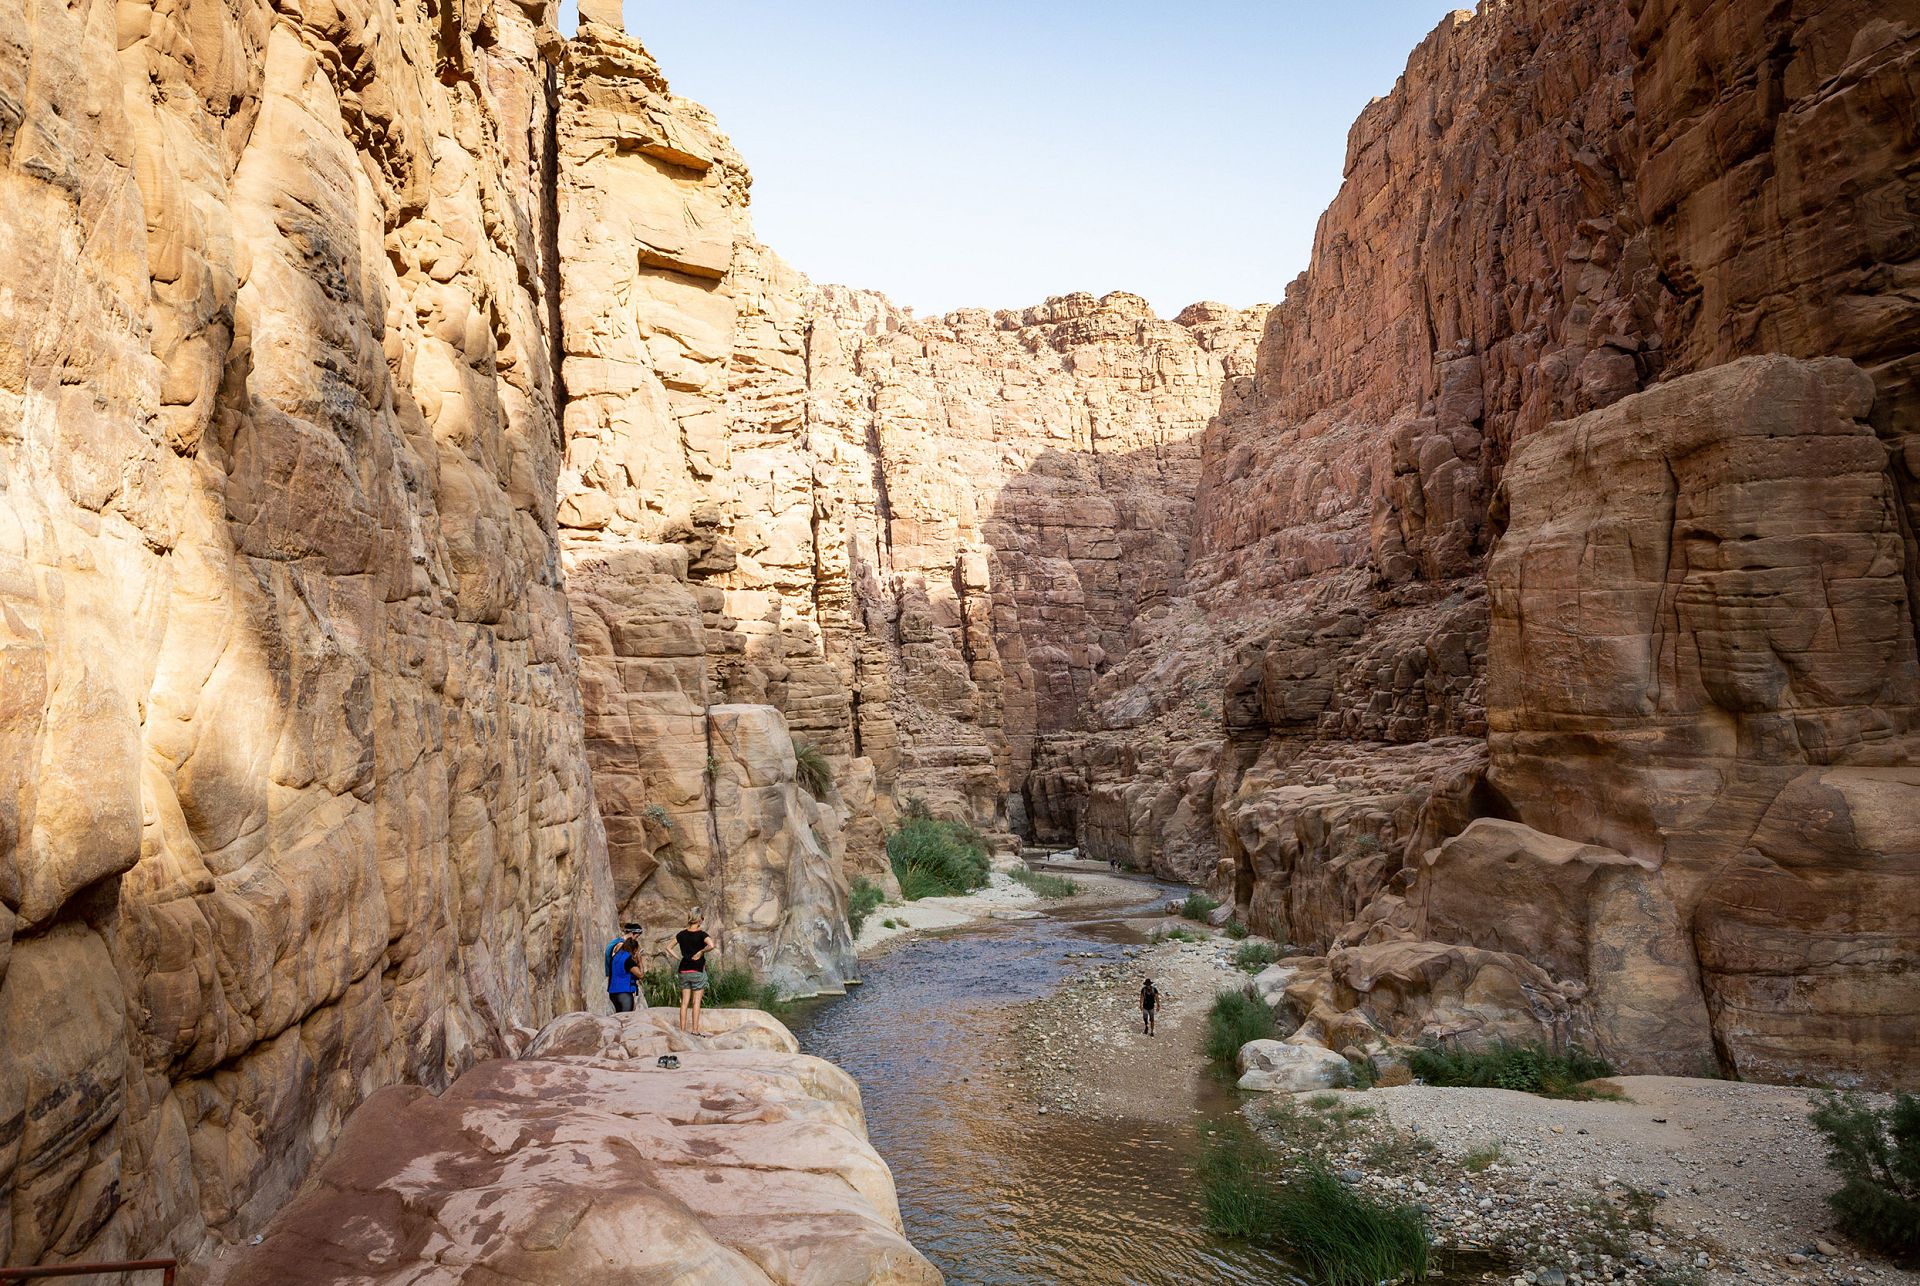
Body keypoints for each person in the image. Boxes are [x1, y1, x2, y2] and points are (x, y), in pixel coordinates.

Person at [675, 909, 717, 1035]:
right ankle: (695, 1030)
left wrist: (677, 957)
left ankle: (682, 1031)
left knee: (684, 1003)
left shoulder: (681, 934)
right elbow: (711, 945)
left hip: (683, 970)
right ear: (699, 919)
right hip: (697, 970)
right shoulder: (702, 935)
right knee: (696, 1002)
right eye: (702, 918)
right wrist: (701, 951)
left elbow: (668, 947)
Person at [608, 934, 641, 1013]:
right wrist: (640, 961)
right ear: (634, 949)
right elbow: (640, 974)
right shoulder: (628, 959)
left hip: (613, 993)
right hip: (624, 993)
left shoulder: (615, 957)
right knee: (626, 1017)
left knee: (618, 1016)